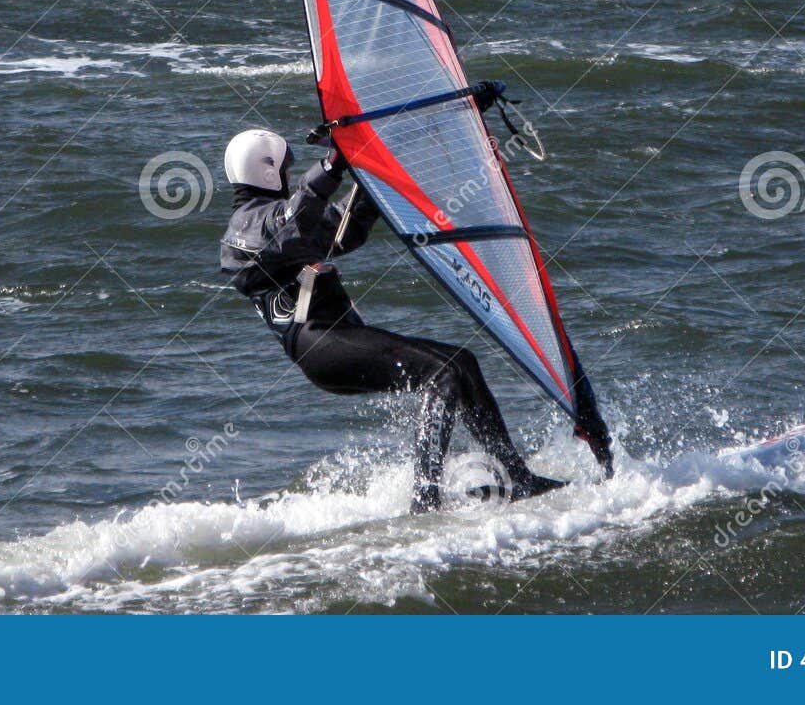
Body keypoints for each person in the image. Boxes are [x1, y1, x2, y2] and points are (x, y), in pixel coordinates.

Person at [219, 127, 610, 514]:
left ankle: (516, 476)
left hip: (342, 336)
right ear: (269, 170)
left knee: (462, 363)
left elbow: (344, 228)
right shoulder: (245, 226)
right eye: (286, 168)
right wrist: (333, 163)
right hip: (320, 344)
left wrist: (379, 165)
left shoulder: (284, 227)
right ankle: (425, 498)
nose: (290, 176)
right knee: (440, 374)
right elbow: (292, 216)